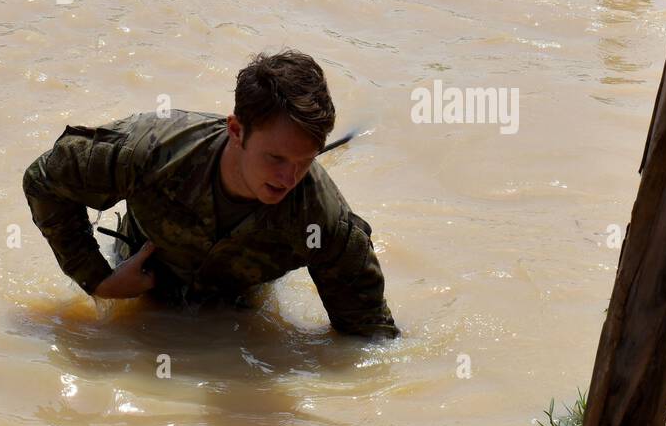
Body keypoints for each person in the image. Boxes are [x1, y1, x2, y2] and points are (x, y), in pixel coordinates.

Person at [22, 49, 399, 339]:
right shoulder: (149, 151)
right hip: (142, 280)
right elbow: (44, 180)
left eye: (305, 161)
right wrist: (98, 281)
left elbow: (369, 338)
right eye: (276, 158)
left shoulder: (322, 218)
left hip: (237, 302)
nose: (289, 178)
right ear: (236, 131)